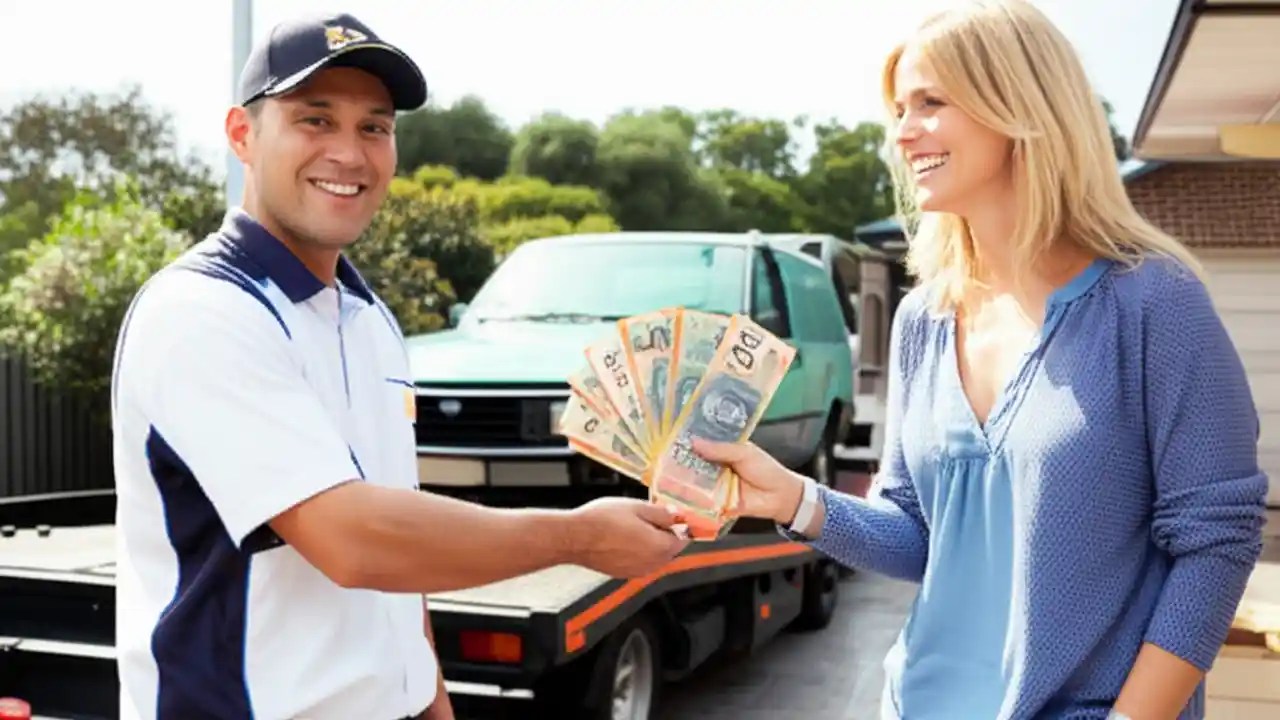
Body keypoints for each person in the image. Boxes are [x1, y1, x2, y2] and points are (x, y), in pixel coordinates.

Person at [694, 1, 1270, 719]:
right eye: (900, 109)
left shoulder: (1156, 305)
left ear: (1018, 105)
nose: (903, 134)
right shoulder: (923, 321)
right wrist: (790, 498)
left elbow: (1216, 547)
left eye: (931, 103)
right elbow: (917, 534)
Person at [109, 12, 687, 720]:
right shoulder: (201, 311)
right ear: (242, 136)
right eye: (315, 120)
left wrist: (432, 704)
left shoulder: (367, 318)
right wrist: (579, 537)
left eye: (373, 127)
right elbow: (356, 541)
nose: (349, 154)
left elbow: (398, 564)